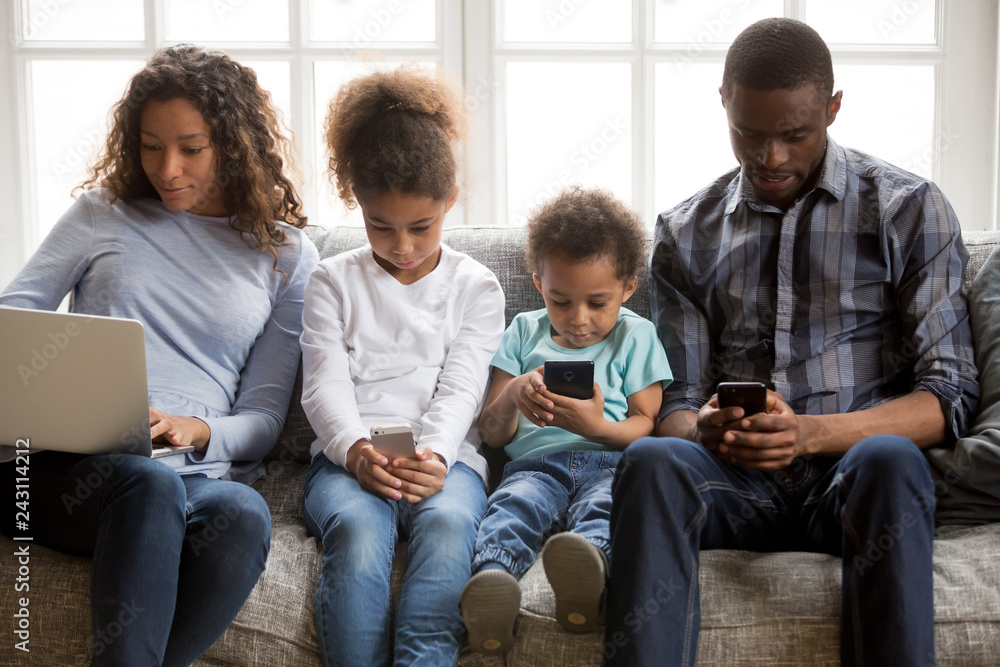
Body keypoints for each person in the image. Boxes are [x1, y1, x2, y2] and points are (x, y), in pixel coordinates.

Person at [603, 18, 979, 667]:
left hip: (853, 481)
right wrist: (707, 430)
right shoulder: (686, 234)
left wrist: (806, 433)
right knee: (653, 463)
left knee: (892, 460)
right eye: (750, 132)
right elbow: (676, 406)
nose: (771, 156)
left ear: (833, 109)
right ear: (724, 102)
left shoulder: (906, 209)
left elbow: (946, 397)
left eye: (795, 134)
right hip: (733, 485)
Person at [0, 45, 318, 666]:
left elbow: (263, 419)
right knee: (145, 483)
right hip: (65, 470)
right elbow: (12, 324)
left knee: (244, 511)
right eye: (150, 146)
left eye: (191, 148)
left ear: (234, 143)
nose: (167, 169)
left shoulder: (286, 254)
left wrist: (197, 430)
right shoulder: (102, 213)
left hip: (192, 479)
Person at [299, 66, 506, 667]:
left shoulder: (477, 287)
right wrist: (357, 450)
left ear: (450, 200)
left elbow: (463, 387)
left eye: (422, 226)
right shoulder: (331, 281)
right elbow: (324, 386)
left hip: (448, 461)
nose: (404, 246)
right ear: (356, 204)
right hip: (346, 460)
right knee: (361, 535)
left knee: (445, 533)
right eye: (379, 227)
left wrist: (436, 455)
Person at [459, 186, 672, 655]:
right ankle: (493, 588)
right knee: (512, 507)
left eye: (598, 303)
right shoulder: (521, 333)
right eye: (560, 301)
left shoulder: (637, 335)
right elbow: (491, 434)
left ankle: (587, 577)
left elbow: (647, 423)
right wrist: (513, 394)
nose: (578, 320)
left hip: (612, 463)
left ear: (628, 289)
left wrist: (598, 428)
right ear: (539, 285)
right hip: (535, 466)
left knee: (606, 508)